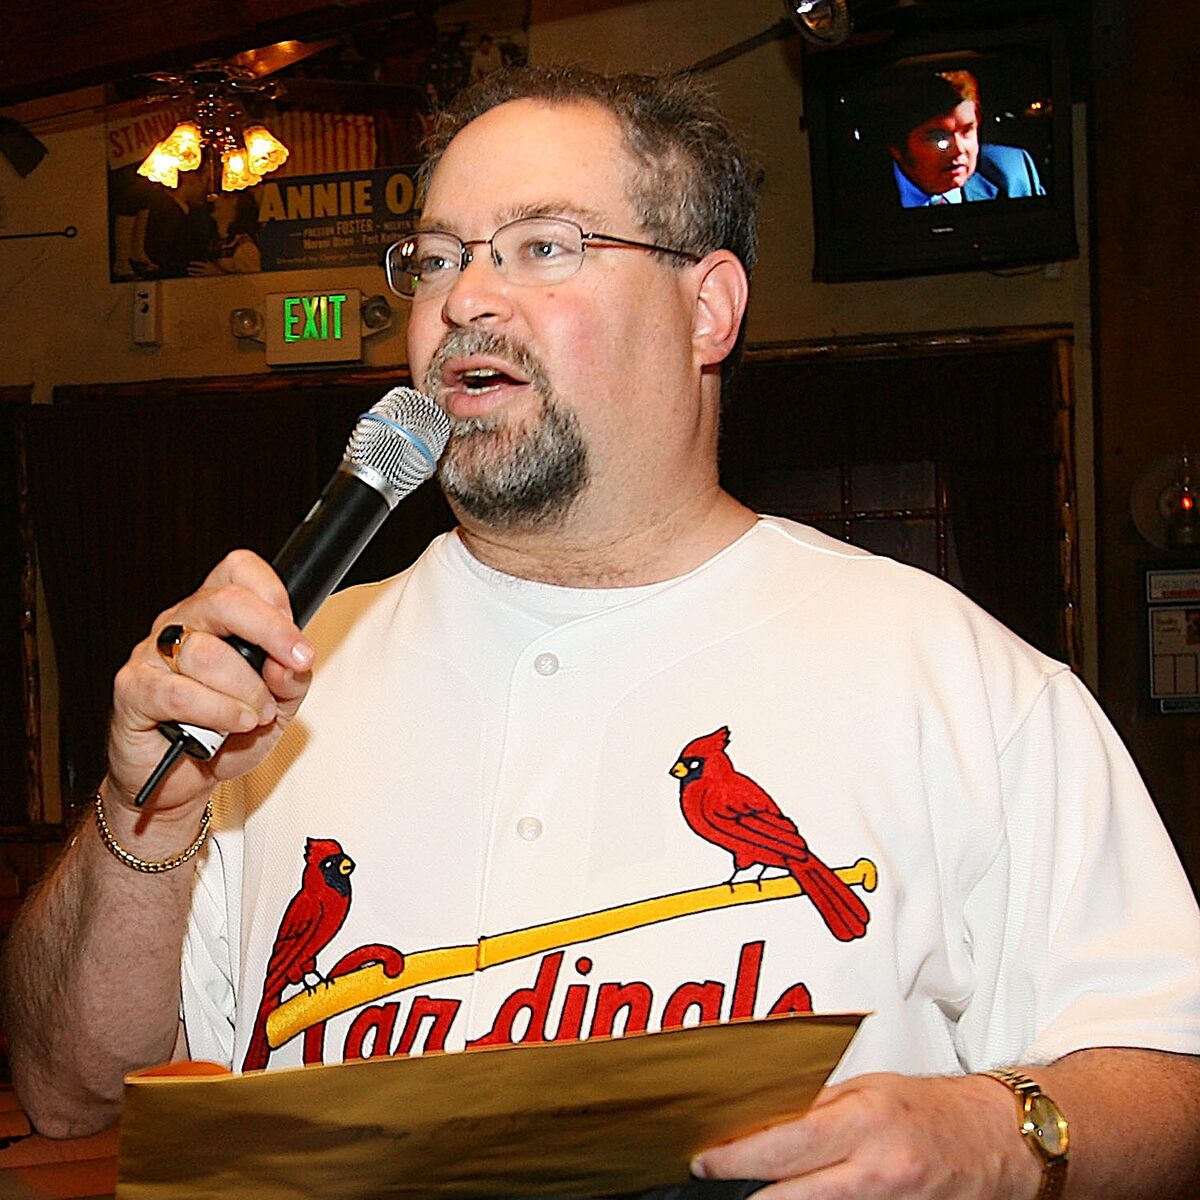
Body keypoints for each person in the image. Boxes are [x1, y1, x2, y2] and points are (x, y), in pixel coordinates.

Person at [5, 64, 1200, 1200]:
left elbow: (1170, 1084)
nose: (464, 298)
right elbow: (66, 1095)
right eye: (435, 260)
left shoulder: (958, 681)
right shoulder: (272, 690)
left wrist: (1001, 1138)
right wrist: (142, 810)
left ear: (708, 308)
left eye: (545, 245)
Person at [887, 70, 1045, 207]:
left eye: (967, 130)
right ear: (897, 148)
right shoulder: (865, 199)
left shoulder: (1013, 172)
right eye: (937, 137)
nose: (959, 150)